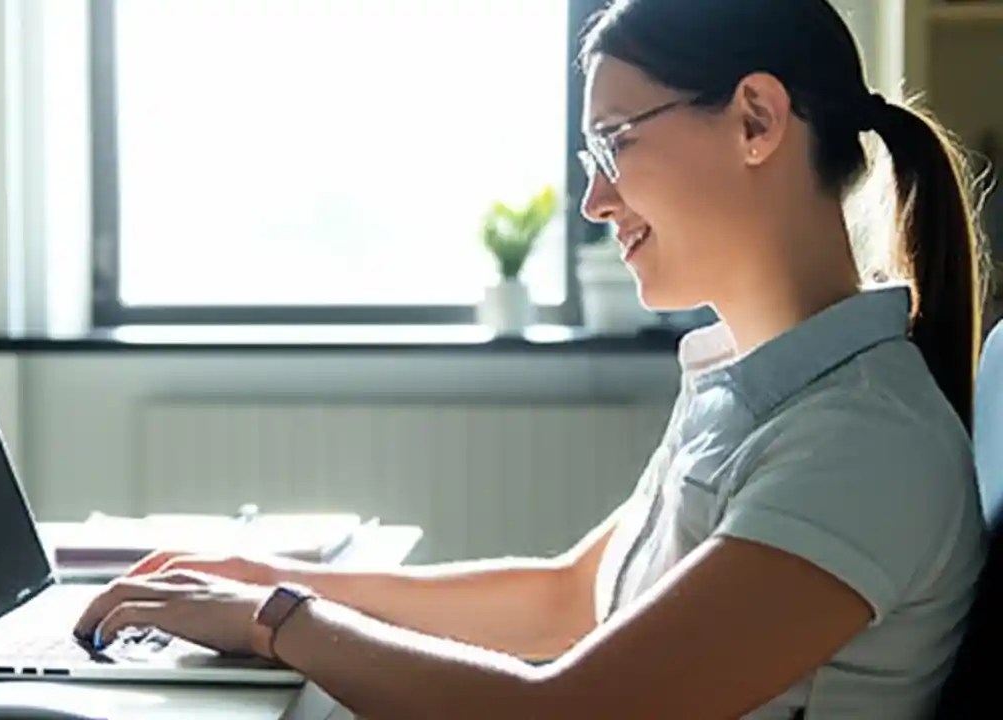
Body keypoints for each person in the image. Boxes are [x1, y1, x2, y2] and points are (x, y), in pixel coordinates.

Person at [74, 1, 992, 717]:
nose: (594, 198)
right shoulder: (758, 388)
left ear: (755, 119)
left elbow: (573, 709)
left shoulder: (860, 441)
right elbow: (568, 598)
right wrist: (266, 582)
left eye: (615, 142)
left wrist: (278, 626)